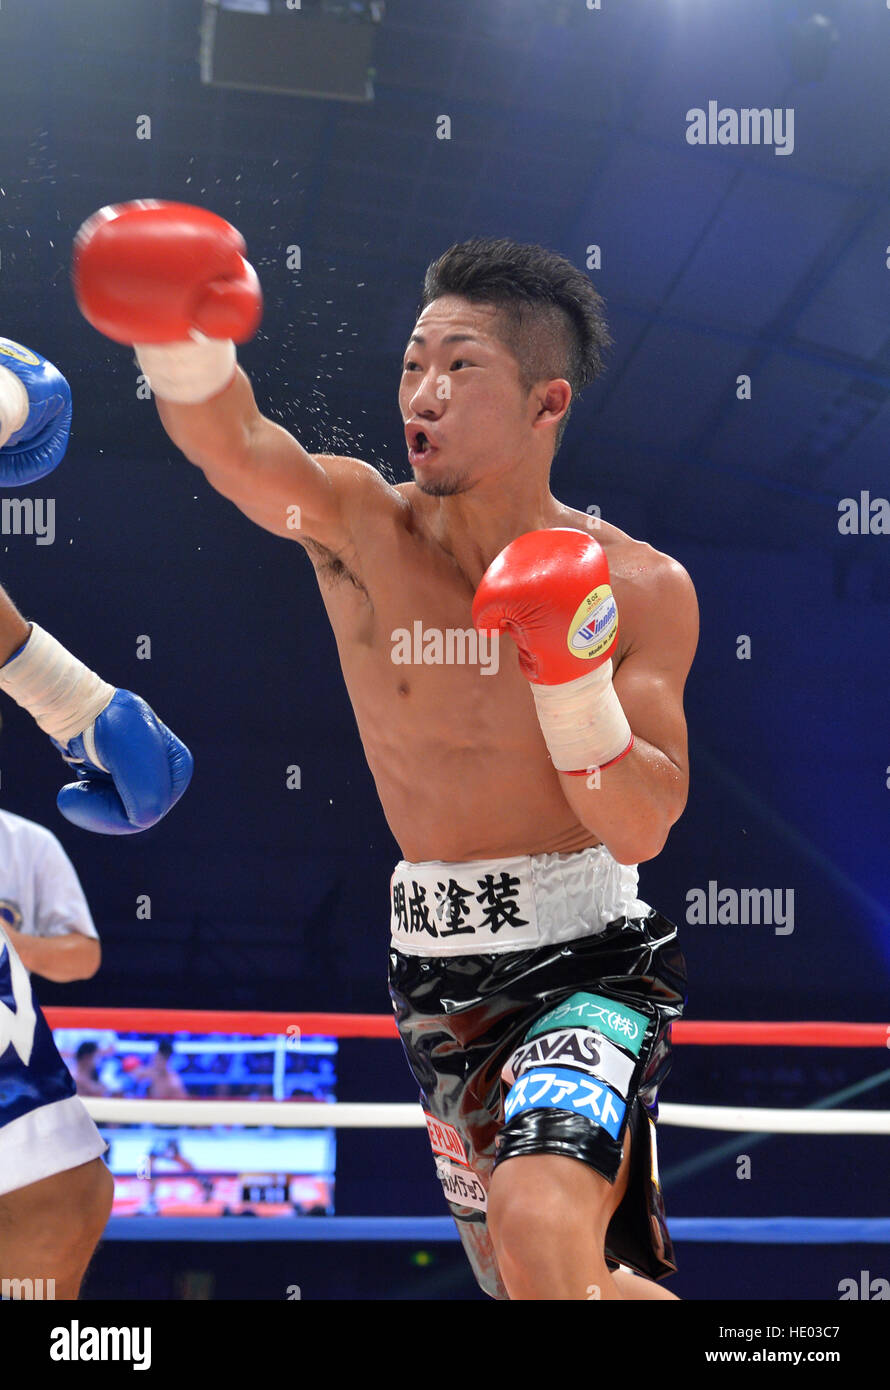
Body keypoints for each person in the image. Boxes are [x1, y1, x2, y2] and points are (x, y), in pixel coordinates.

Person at [73, 203, 699, 1301]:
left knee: (538, 1217)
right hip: (435, 969)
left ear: (548, 400)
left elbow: (640, 819)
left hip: (587, 960)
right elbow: (238, 449)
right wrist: (180, 336)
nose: (423, 392)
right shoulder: (361, 528)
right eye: (414, 363)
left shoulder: (637, 585)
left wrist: (571, 681)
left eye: (461, 364)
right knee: (532, 1275)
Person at [0, 334, 194, 1298]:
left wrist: (74, 701)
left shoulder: (19, 846)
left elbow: (77, 955)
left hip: (27, 1152)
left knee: (51, 1198)